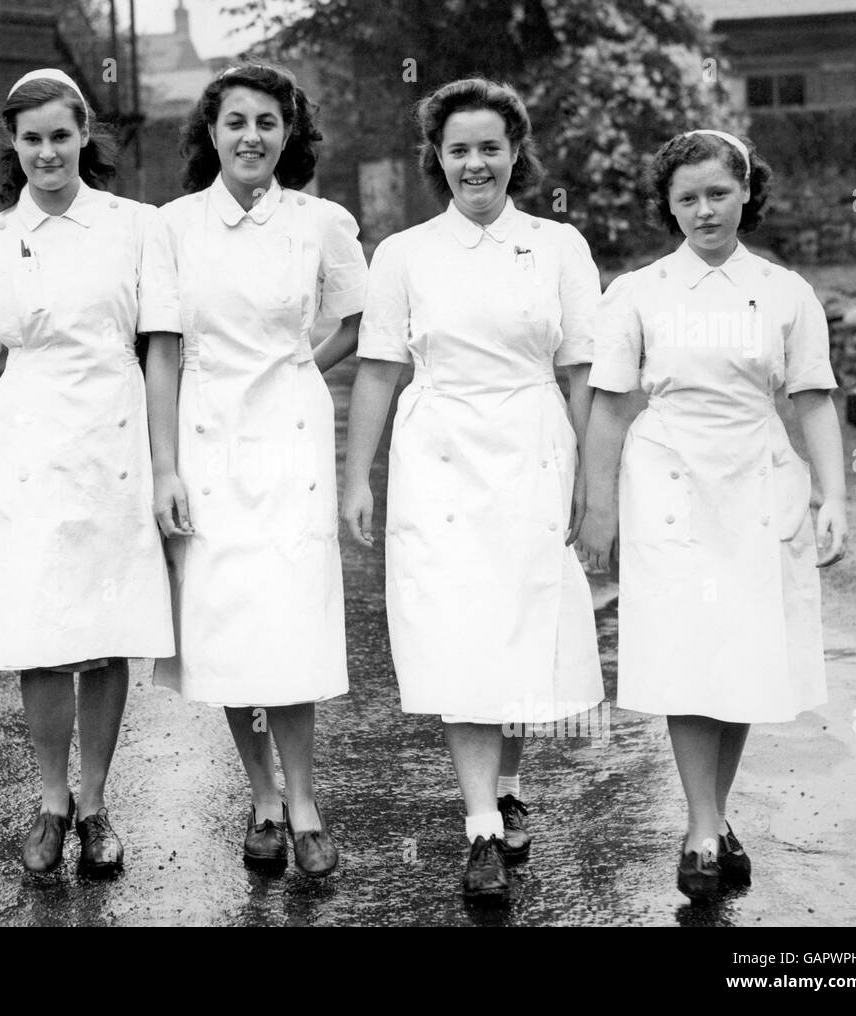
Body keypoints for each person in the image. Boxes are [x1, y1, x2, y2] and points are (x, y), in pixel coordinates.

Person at [342, 77, 604, 903]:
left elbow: (583, 371)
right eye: (459, 148)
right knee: (456, 631)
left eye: (490, 146)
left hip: (534, 444)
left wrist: (591, 480)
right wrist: (358, 475)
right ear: (438, 158)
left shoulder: (560, 245)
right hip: (440, 456)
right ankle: (481, 827)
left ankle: (508, 786)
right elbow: (380, 370)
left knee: (525, 625)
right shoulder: (404, 253)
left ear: (515, 152)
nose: (475, 162)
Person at [579, 129, 848, 902]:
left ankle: (714, 815)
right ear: (668, 205)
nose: (704, 211)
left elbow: (814, 400)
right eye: (687, 198)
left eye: (719, 195)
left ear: (746, 194)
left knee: (744, 657)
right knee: (690, 657)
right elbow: (606, 411)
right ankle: (701, 830)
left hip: (759, 482)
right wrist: (600, 509)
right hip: (667, 481)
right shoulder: (636, 292)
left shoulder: (786, 292)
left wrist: (834, 494)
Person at [0, 69, 178, 877]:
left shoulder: (137, 227)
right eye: (31, 137)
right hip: (28, 442)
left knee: (106, 633)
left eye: (60, 134)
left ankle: (98, 804)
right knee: (41, 633)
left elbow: (160, 350)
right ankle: (51, 802)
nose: (47, 151)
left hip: (113, 442)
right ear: (13, 145)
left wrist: (163, 463)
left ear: (85, 134)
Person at [149, 63, 367, 877]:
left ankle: (303, 800)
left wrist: (300, 364)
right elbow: (163, 352)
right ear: (211, 133)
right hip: (206, 439)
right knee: (228, 621)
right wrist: (165, 467)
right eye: (235, 121)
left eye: (267, 123)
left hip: (290, 435)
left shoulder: (320, 222)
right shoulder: (171, 226)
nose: (251, 137)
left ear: (288, 134)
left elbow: (359, 317)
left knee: (289, 617)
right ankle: (263, 797)